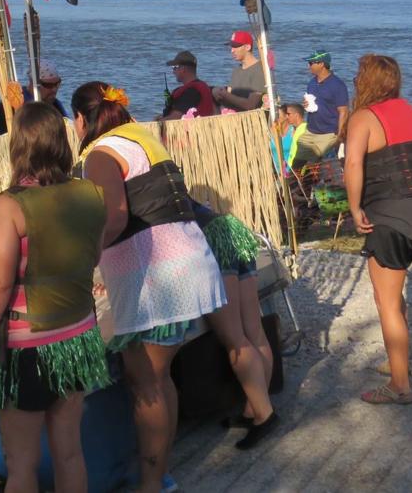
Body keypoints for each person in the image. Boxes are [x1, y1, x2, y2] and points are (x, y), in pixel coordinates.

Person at [71, 81, 226, 491]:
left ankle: (152, 483)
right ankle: (161, 475)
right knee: (161, 378)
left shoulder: (101, 153)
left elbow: (116, 218)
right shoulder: (140, 137)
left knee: (147, 387)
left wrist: (81, 263)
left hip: (157, 278)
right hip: (185, 264)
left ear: (81, 120)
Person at [0, 101, 109, 493]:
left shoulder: (10, 206)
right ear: (61, 143)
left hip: (29, 349)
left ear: (19, 147)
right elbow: (92, 257)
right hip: (79, 337)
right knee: (69, 453)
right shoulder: (90, 193)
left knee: (21, 466)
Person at [345, 54, 412, 406]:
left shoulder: (364, 117)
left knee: (386, 302)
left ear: (369, 80)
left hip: (388, 220)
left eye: (360, 74)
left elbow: (354, 163)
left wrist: (355, 207)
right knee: (395, 295)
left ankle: (400, 386)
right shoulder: (409, 112)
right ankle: (398, 362)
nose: (356, 78)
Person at [189, 198, 278, 447]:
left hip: (211, 240)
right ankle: (254, 408)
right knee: (254, 331)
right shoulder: (161, 176)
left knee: (235, 339)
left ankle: (264, 415)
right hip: (232, 229)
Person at [291, 50, 349, 170]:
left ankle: (312, 186)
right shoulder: (311, 83)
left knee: (316, 167)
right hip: (311, 131)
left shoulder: (337, 85)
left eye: (311, 63)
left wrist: (340, 135)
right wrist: (306, 104)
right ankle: (294, 187)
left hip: (328, 133)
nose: (308, 66)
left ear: (322, 64)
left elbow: (343, 111)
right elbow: (314, 103)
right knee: (296, 164)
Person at [0, 60, 69, 135]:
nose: (54, 89)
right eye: (48, 85)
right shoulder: (14, 103)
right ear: (33, 83)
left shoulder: (56, 106)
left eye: (57, 84)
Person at [212, 31, 266, 113]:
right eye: (231, 47)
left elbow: (251, 105)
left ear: (247, 47)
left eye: (235, 46)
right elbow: (230, 100)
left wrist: (224, 94)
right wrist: (219, 96)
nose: (232, 51)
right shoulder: (236, 71)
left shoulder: (259, 69)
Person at [162, 50, 216, 119]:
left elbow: (175, 118)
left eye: (174, 67)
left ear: (183, 69)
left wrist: (158, 122)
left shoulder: (191, 91)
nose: (173, 71)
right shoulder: (202, 86)